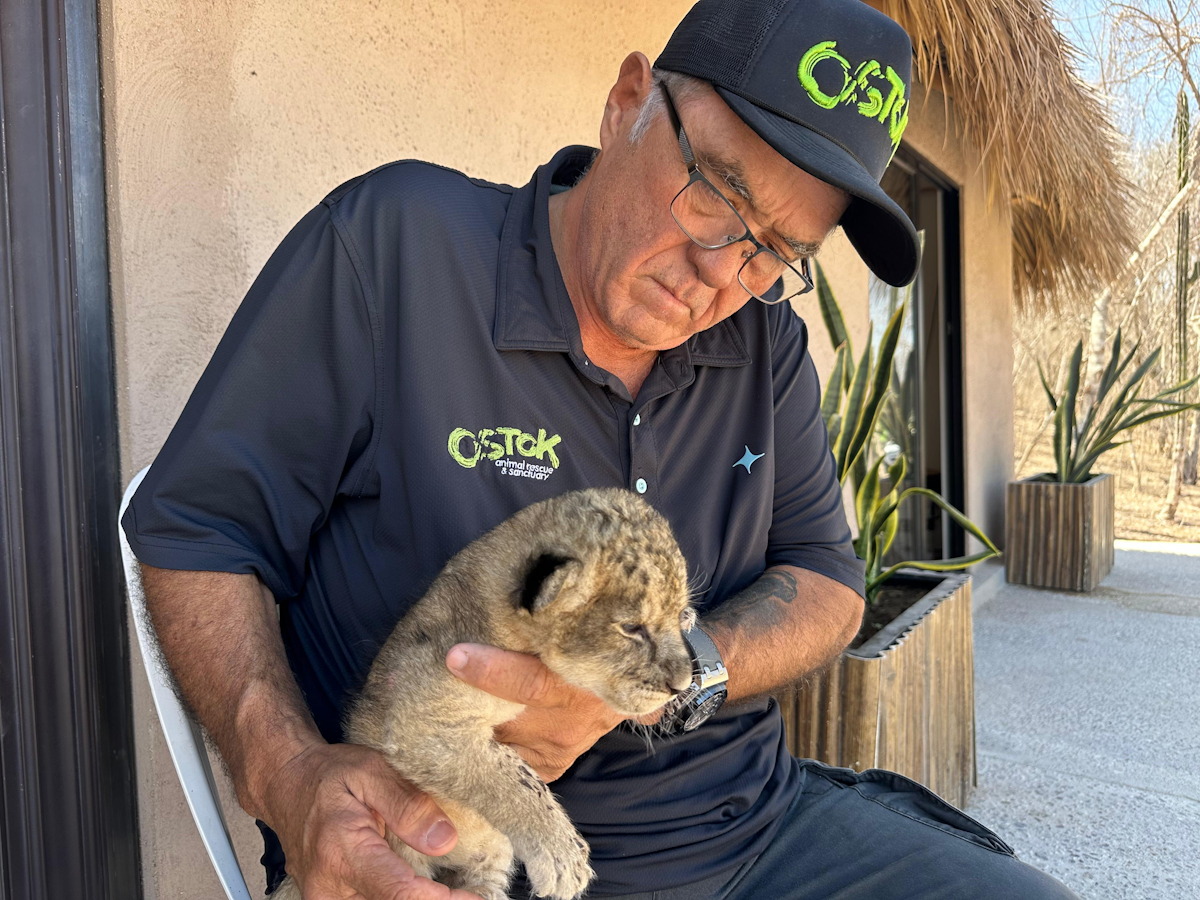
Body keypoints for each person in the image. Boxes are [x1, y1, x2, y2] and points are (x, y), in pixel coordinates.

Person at [123, 0, 1078, 897]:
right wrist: (289, 778)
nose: (718, 274)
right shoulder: (396, 252)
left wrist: (676, 675)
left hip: (754, 834)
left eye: (775, 252)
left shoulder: (765, 344)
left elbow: (828, 582)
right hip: (462, 848)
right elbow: (199, 530)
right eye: (714, 189)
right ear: (630, 102)